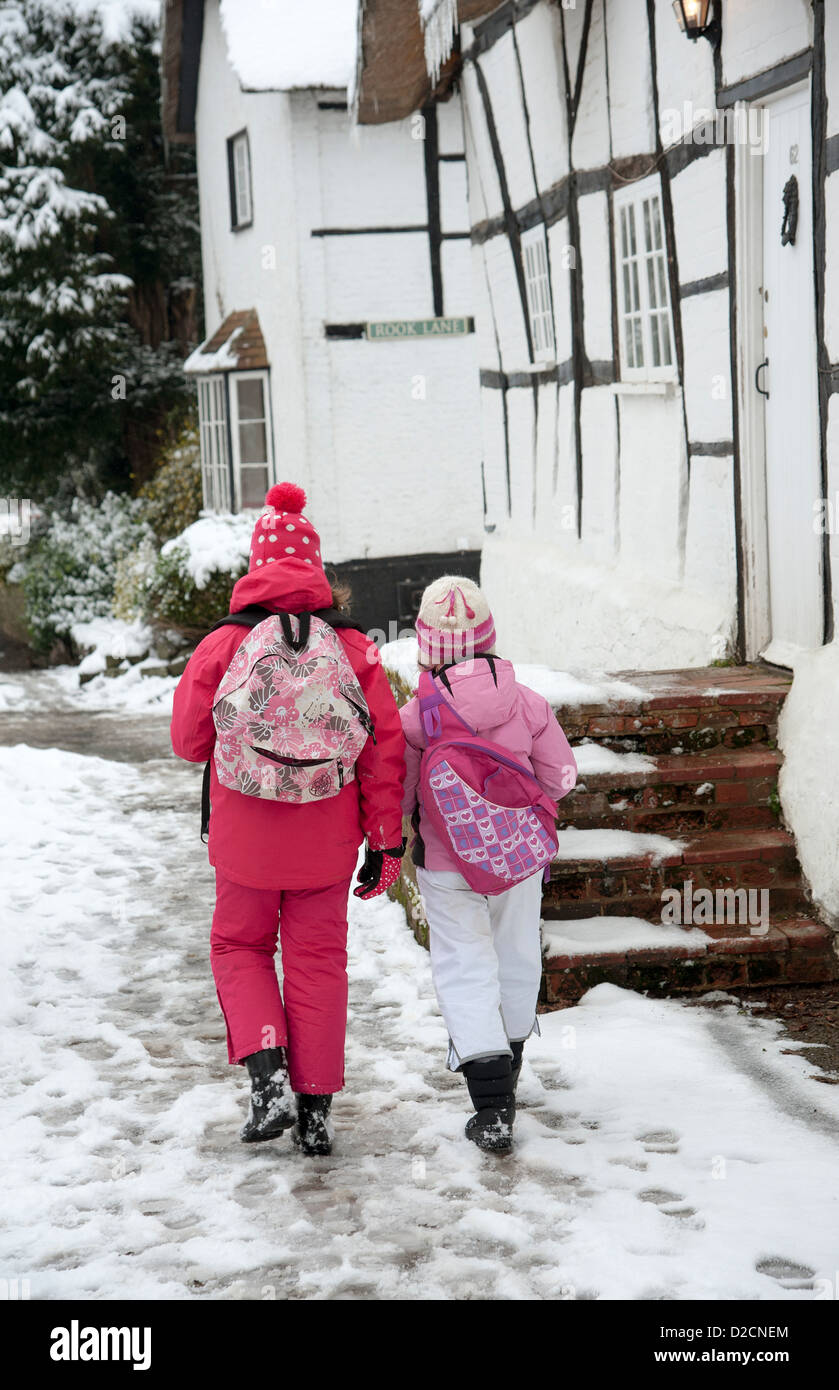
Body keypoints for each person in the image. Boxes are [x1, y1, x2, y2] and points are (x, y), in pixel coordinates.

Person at [171, 483, 405, 1156]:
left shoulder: (223, 644)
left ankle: (266, 1073)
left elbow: (189, 742)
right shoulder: (353, 647)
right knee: (318, 964)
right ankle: (315, 1113)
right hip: (326, 842)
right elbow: (383, 752)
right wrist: (386, 844)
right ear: (315, 567)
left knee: (239, 948)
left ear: (256, 565)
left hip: (244, 839)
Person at [400, 576, 577, 1153]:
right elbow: (560, 779)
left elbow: (399, 796)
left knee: (463, 967)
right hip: (520, 858)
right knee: (517, 954)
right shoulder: (527, 703)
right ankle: (513, 1065)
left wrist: (396, 836)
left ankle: (492, 1104)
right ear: (489, 638)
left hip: (448, 864)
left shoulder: (415, 719)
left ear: (426, 646)